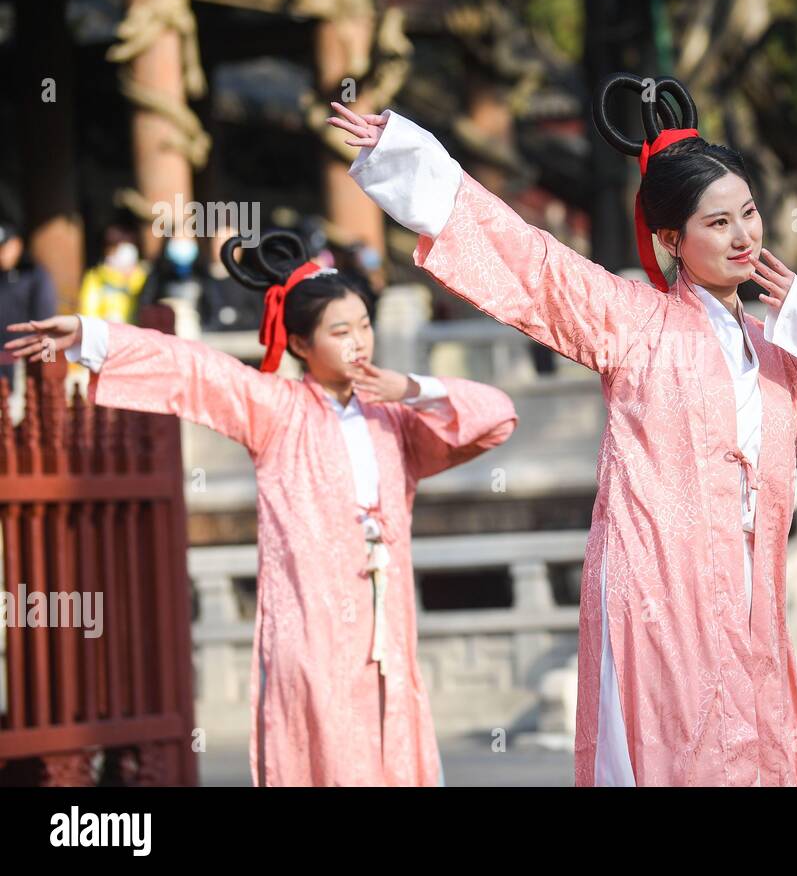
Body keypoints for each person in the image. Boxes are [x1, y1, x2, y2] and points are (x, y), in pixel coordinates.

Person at [330, 73, 797, 786]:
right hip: (656, 598)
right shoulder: (631, 321)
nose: (743, 237)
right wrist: (408, 157)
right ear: (671, 239)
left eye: (747, 214)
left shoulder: (785, 352)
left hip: (750, 600)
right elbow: (532, 262)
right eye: (717, 223)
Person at [6, 231, 519, 786]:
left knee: (397, 752)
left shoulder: (394, 423)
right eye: (339, 331)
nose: (358, 344)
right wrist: (91, 335)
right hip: (311, 637)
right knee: (325, 758)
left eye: (364, 326)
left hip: (387, 635)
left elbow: (496, 417)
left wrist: (410, 387)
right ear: (300, 345)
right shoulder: (276, 412)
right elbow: (195, 369)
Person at [0, 221, 57, 387]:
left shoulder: (34, 276)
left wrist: (48, 360)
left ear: (17, 244)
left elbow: (45, 321)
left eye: (4, 248)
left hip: (23, 362)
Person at [79, 213, 149, 324]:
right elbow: (88, 313)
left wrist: (132, 276)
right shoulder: (95, 277)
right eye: (117, 244)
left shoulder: (144, 275)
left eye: (129, 243)